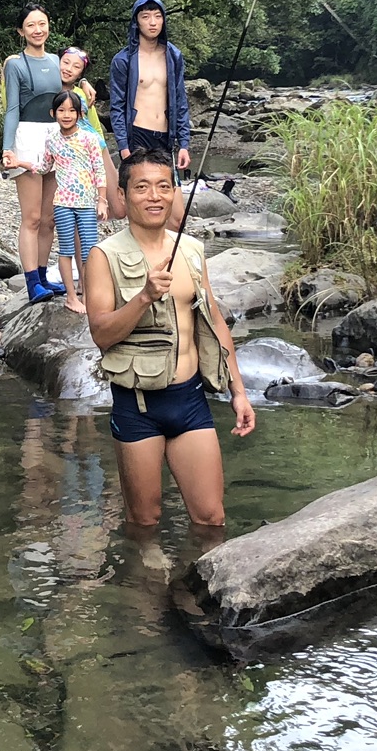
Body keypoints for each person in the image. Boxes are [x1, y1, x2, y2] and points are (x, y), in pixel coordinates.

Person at [84, 148, 255, 538]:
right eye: (142, 187)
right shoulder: (103, 256)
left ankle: (201, 579)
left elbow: (214, 323)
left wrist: (239, 393)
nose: (155, 196)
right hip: (137, 406)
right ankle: (145, 577)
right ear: (123, 195)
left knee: (211, 519)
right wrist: (143, 297)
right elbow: (101, 334)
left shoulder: (191, 250)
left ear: (175, 193)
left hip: (190, 402)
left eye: (164, 186)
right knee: (143, 524)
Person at [2, 2, 66, 301]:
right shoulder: (15, 64)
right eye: (31, 25)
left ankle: (43, 276)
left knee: (49, 218)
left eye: (42, 23)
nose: (38, 30)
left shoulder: (55, 60)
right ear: (21, 31)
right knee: (32, 217)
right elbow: (12, 108)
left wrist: (85, 83)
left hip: (55, 136)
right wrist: (7, 148)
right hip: (27, 136)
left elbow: (68, 90)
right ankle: (31, 283)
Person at [108, 0, 192, 176]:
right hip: (137, 134)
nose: (152, 22)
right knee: (140, 188)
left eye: (157, 16)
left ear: (163, 21)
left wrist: (184, 144)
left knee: (168, 189)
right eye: (145, 17)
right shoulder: (123, 60)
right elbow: (117, 106)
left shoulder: (173, 56)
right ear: (136, 22)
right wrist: (123, 146)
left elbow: (180, 101)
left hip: (165, 136)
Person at [46, 89, 110, 313]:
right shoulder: (52, 140)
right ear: (53, 113)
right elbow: (44, 166)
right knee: (65, 250)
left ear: (80, 114)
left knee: (90, 251)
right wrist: (20, 163)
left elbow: (99, 170)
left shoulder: (89, 138)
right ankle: (71, 297)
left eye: (72, 111)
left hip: (86, 204)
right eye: (61, 110)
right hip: (62, 202)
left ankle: (89, 293)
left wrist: (102, 200)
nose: (66, 115)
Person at [59, 45, 123, 220]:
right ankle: (84, 230)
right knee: (76, 212)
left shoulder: (83, 93)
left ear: (81, 73)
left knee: (119, 209)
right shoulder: (48, 89)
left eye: (76, 67)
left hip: (97, 148)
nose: (69, 69)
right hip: (71, 155)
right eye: (65, 62)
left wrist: (83, 82)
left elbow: (95, 126)